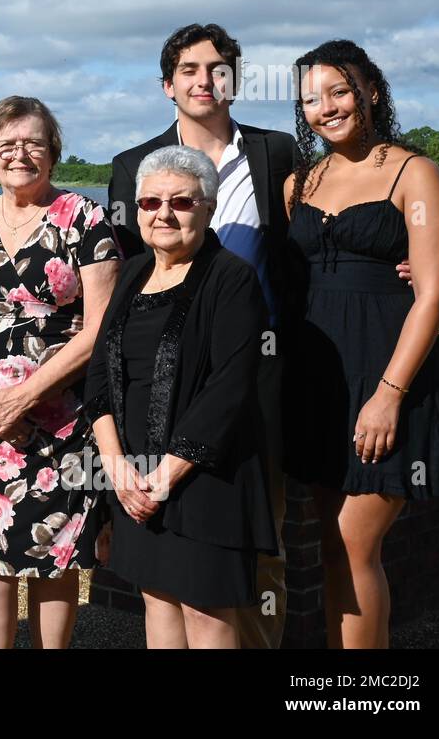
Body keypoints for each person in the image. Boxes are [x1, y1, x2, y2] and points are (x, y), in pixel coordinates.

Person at [108, 22, 295, 649]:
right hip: (163, 376)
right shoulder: (133, 167)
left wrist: (398, 262)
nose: (204, 80)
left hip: (256, 374)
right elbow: (131, 277)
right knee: (167, 571)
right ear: (168, 85)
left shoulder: (277, 154)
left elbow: (310, 245)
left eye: (217, 69)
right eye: (189, 69)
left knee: (255, 542)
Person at [283, 39, 439, 648]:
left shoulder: (416, 172)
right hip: (317, 380)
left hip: (386, 376)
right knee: (330, 546)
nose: (326, 107)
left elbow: (434, 295)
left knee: (356, 544)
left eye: (339, 91)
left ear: (372, 91)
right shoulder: (299, 182)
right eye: (311, 98)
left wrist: (388, 395)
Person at [0, 96, 120, 648]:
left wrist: (26, 398)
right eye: (7, 145)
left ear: (54, 152)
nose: (21, 154)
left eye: (34, 143)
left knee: (54, 561)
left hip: (62, 421)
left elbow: (98, 328)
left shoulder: (86, 220)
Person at [85, 145, 279, 648]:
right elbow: (100, 378)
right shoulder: (130, 275)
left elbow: (229, 388)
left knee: (205, 614)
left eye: (182, 202)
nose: (163, 213)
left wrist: (163, 478)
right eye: (150, 203)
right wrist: (117, 467)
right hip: (133, 477)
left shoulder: (230, 277)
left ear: (209, 208)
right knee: (158, 603)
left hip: (204, 479)